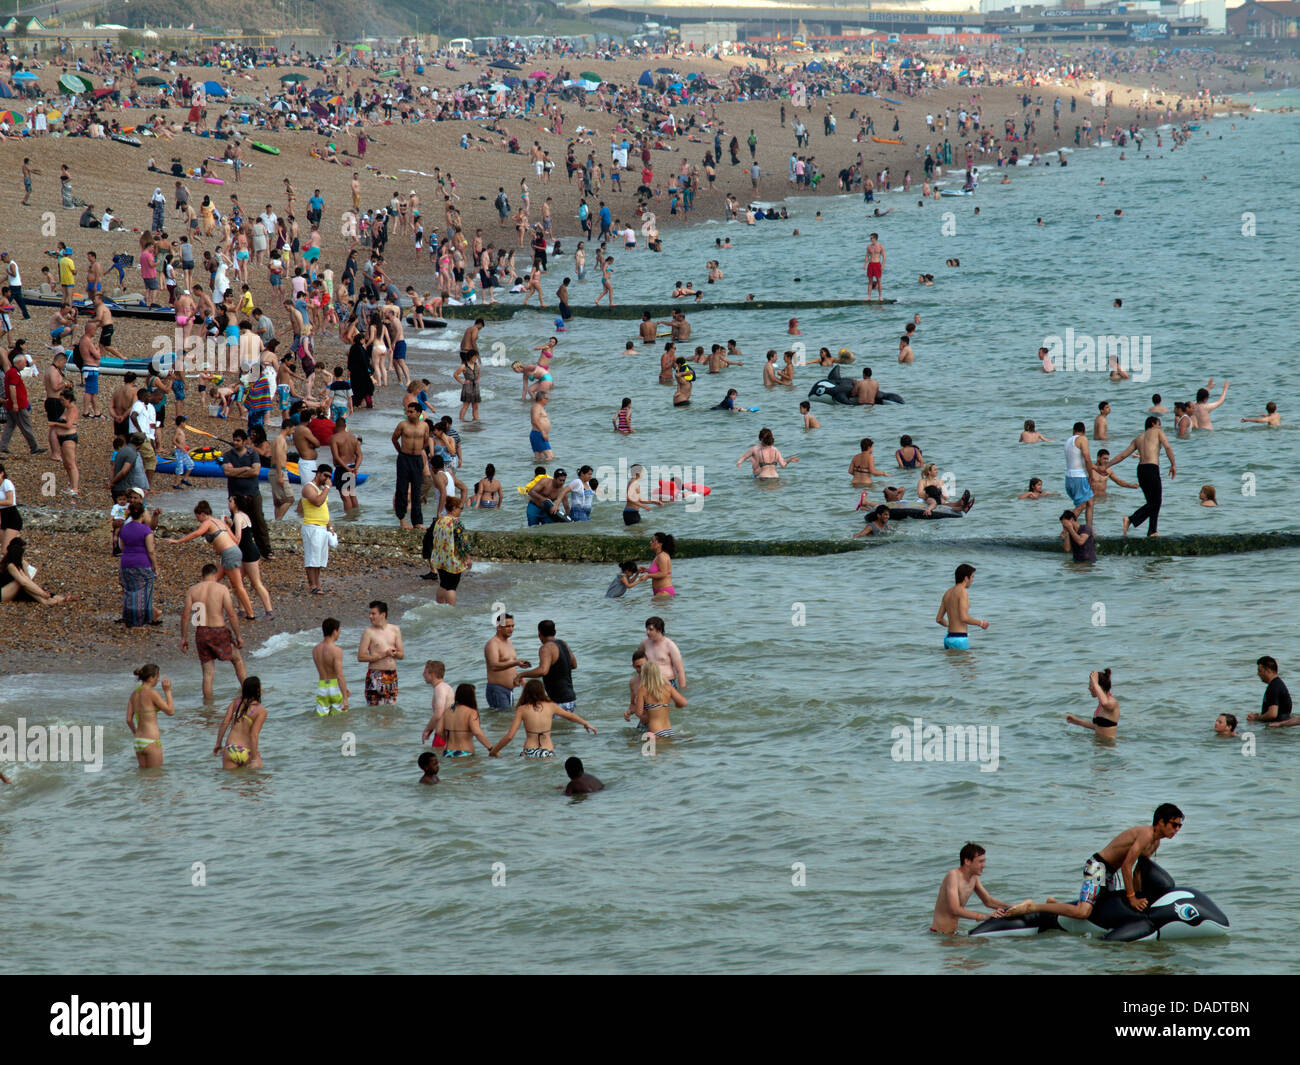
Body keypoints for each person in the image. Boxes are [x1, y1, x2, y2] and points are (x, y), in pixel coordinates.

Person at [1003, 805, 1185, 920]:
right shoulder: (1146, 835)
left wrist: (1140, 896)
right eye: (1173, 824)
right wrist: (1131, 899)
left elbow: (1138, 871)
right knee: (1084, 913)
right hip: (1098, 867)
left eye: (1179, 826)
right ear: (1161, 822)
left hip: (1110, 873)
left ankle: (1054, 904)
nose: (1176, 829)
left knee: (1103, 911)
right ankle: (1032, 907)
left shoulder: (1156, 842)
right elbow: (1127, 866)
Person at [166, 501, 257, 620]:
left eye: (198, 517)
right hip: (233, 552)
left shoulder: (207, 522)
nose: (198, 520)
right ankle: (203, 608)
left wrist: (178, 541)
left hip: (229, 554)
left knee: (238, 586)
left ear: (203, 514)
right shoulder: (220, 522)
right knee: (212, 580)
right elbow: (235, 540)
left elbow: (197, 534)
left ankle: (250, 614)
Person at [180, 563, 247, 702]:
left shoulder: (193, 590)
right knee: (238, 660)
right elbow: (232, 614)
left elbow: (186, 616)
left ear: (202, 576)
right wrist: (238, 636)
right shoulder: (222, 589)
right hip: (219, 630)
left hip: (202, 632)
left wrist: (183, 638)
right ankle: (248, 694)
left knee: (208, 673)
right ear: (216, 575)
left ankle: (208, 709)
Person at [489, 679, 596, 758]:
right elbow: (571, 716)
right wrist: (586, 723)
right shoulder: (551, 706)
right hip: (547, 751)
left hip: (529, 751)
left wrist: (494, 751)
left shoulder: (522, 709)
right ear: (542, 691)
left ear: (526, 693)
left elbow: (509, 736)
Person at [1111, 416, 1176, 538]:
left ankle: (1152, 531)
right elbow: (1167, 446)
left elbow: (1123, 455)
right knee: (1156, 501)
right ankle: (1131, 519)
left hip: (1141, 470)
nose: (1160, 427)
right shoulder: (1158, 432)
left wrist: (1107, 465)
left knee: (1152, 502)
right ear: (1153, 424)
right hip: (1152, 468)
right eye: (1159, 424)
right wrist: (1173, 464)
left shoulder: (1138, 438)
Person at [929, 843, 1009, 934]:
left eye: (984, 861)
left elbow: (988, 901)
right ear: (967, 861)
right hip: (939, 934)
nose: (984, 865)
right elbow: (954, 909)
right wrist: (985, 917)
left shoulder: (974, 877)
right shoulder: (953, 875)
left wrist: (1012, 908)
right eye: (980, 861)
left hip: (953, 934)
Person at [517, 620, 579, 712]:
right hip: (571, 698)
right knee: (566, 727)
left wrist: (521, 675)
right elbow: (574, 665)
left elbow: (543, 670)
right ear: (555, 632)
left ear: (539, 633)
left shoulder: (546, 648)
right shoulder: (563, 643)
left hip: (559, 701)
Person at [119, 499, 160, 626]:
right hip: (142, 564)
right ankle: (142, 619)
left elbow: (121, 547)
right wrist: (155, 566)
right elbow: (151, 550)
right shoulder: (146, 530)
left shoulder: (124, 529)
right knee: (144, 592)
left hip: (126, 564)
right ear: (143, 515)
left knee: (129, 591)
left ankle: (129, 618)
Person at [126, 664, 175, 769]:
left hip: (138, 741)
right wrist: (167, 691)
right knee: (156, 778)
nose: (158, 680)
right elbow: (170, 711)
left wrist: (136, 733)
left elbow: (128, 720)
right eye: (157, 677)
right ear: (151, 677)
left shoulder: (134, 694)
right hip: (151, 741)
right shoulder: (152, 693)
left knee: (144, 778)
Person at [213, 676, 267, 770]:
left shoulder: (236, 702)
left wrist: (218, 743)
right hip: (245, 751)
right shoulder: (261, 710)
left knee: (230, 783)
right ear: (257, 690)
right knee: (256, 781)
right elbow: (253, 735)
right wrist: (254, 759)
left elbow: (225, 723)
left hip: (230, 750)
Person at [625, 660, 687, 739]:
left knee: (649, 750)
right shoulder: (668, 687)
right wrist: (677, 704)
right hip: (669, 730)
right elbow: (683, 702)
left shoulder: (643, 689)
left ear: (644, 674)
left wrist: (646, 713)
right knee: (667, 750)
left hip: (655, 731)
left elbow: (639, 713)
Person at [358, 600, 404, 705]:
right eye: (370, 614)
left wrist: (394, 653)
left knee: (391, 711)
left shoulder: (395, 630)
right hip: (376, 675)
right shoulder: (368, 632)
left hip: (392, 675)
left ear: (383, 615)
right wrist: (383, 654)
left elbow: (401, 654)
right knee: (374, 711)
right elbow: (361, 657)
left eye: (373, 614)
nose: (370, 616)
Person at [0, 538, 73, 605]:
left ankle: (53, 597)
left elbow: (28, 580)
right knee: (20, 582)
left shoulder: (18, 563)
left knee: (26, 585)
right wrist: (42, 593)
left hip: (12, 591)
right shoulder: (10, 565)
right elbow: (24, 582)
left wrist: (23, 565)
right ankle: (45, 600)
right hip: (3, 593)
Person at [428, 496, 472, 605]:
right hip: (453, 559)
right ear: (454, 508)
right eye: (460, 508)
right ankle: (451, 610)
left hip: (440, 558)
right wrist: (467, 558)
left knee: (443, 584)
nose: (461, 511)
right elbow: (462, 543)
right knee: (452, 587)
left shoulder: (440, 521)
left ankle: (440, 605)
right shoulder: (456, 523)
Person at [1, 352, 45, 456]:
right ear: (19, 362)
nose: (26, 364)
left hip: (11, 404)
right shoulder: (14, 373)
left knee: (10, 425)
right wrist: (15, 403)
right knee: (26, 426)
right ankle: (34, 447)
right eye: (25, 363)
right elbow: (12, 387)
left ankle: (3, 446)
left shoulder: (11, 372)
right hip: (18, 405)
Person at [936, 563, 988, 650]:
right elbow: (964, 618)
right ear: (966, 578)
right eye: (972, 577)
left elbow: (939, 619)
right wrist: (981, 623)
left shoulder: (947, 592)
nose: (972, 580)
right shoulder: (963, 591)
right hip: (959, 639)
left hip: (948, 638)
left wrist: (951, 625)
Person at [301, 464, 334, 594]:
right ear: (318, 473)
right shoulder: (309, 487)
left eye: (329, 477)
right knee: (312, 558)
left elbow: (324, 508)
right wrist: (327, 487)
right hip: (311, 526)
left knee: (319, 559)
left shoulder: (321, 488)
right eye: (325, 475)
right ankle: (312, 585)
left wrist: (329, 526)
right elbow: (317, 502)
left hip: (322, 527)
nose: (327, 479)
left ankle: (317, 584)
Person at [436, 684, 496, 757]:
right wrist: (491, 748)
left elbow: (439, 730)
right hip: (465, 752)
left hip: (447, 752)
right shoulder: (471, 712)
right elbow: (477, 733)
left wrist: (449, 741)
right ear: (470, 697)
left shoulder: (447, 711)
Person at [313, 616, 351, 716]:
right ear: (334, 631)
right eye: (339, 631)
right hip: (335, 687)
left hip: (322, 687)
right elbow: (340, 675)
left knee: (323, 719)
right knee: (341, 719)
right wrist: (345, 698)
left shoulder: (315, 650)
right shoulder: (336, 650)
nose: (339, 634)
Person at [1066, 668, 1118, 737]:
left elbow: (1105, 703)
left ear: (1100, 687)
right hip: (1098, 744)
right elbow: (1098, 727)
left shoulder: (1112, 702)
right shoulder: (1100, 705)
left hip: (1107, 746)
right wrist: (1077, 721)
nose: (1089, 688)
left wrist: (1095, 683)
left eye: (1091, 686)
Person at [637, 616, 686, 690]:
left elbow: (680, 670)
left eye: (650, 629)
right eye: (646, 629)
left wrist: (682, 690)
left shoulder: (670, 645)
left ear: (659, 630)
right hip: (650, 682)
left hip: (667, 682)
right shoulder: (644, 643)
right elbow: (637, 660)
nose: (647, 632)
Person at [420, 660, 456, 748]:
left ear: (432, 674)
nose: (422, 674)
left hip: (444, 731)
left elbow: (438, 713)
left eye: (425, 672)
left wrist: (426, 729)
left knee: (439, 758)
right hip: (449, 729)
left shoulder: (439, 688)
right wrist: (431, 730)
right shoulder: (444, 687)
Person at [1248, 656, 1293, 726]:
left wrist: (1256, 718)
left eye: (1260, 671)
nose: (1258, 674)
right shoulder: (1277, 684)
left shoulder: (1274, 687)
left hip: (1276, 730)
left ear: (1268, 670)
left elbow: (1272, 714)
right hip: (1281, 726)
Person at [640, 532, 677, 598]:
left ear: (660, 544)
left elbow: (663, 573)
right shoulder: (658, 555)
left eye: (653, 541)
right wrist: (647, 570)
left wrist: (648, 576)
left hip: (664, 592)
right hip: (659, 591)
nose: (650, 542)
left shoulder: (662, 556)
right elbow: (659, 571)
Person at [863, 232, 886, 301]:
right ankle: (869, 297)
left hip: (877, 264)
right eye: (870, 238)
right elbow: (867, 256)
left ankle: (880, 296)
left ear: (875, 238)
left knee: (879, 281)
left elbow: (884, 257)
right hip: (870, 264)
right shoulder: (869, 247)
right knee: (870, 281)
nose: (870, 239)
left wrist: (882, 265)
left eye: (871, 238)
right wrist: (864, 264)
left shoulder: (880, 246)